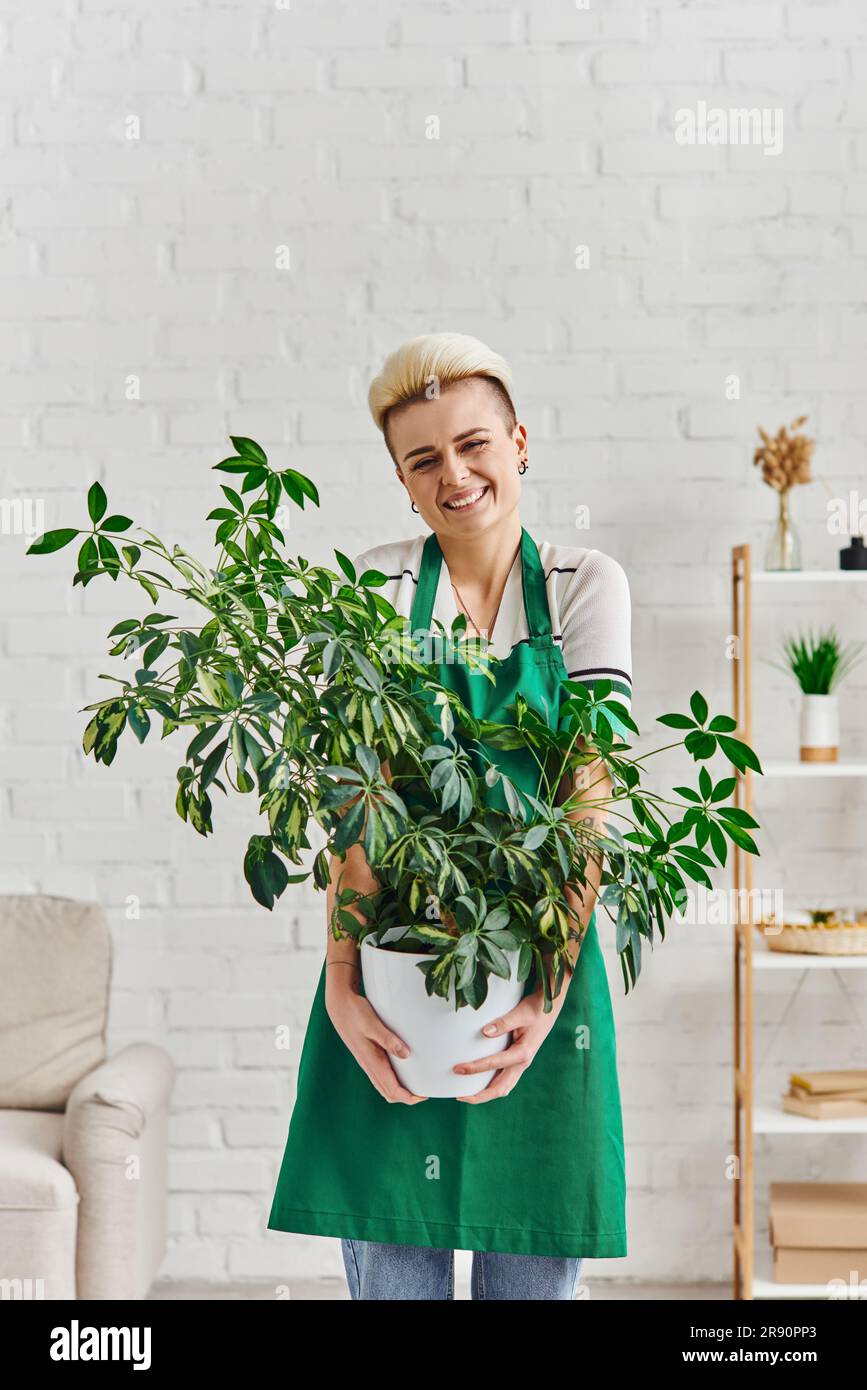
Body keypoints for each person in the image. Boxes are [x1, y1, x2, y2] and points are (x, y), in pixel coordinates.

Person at [267, 332, 633, 1300]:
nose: (455, 474)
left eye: (474, 443)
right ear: (402, 481)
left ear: (520, 442)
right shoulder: (377, 586)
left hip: (536, 974)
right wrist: (344, 982)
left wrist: (545, 993)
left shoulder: (585, 585)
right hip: (396, 975)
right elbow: (361, 804)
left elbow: (585, 800)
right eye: (423, 458)